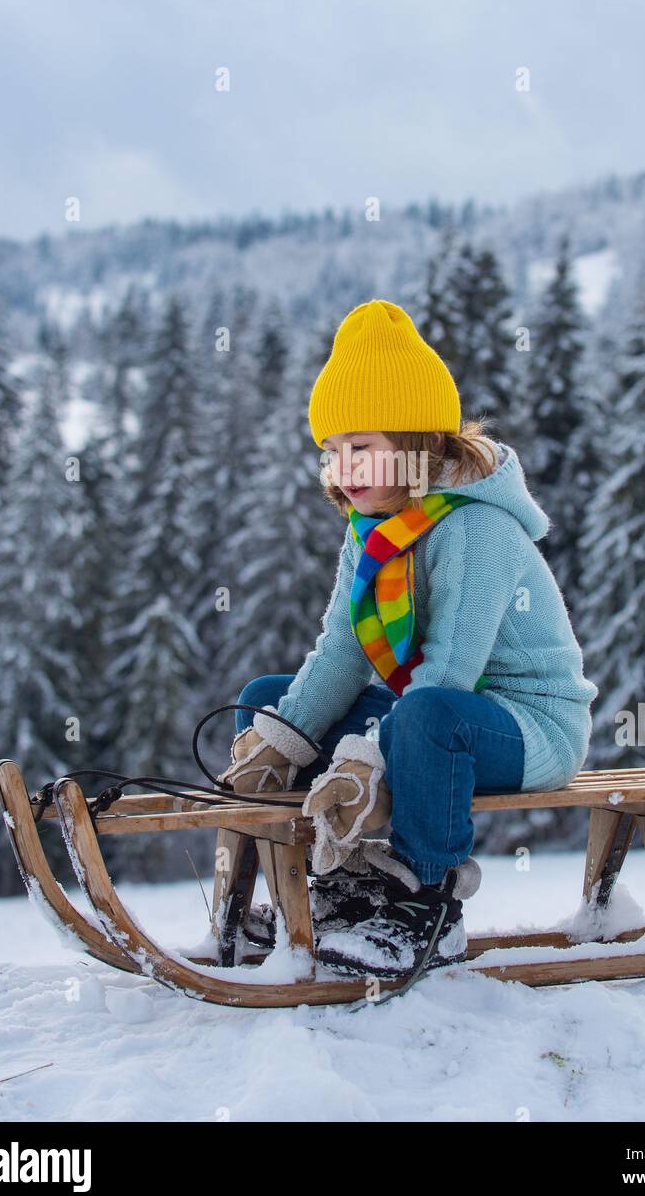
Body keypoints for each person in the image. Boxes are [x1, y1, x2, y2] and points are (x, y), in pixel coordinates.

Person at [224, 298, 598, 980]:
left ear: (419, 444)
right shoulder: (369, 534)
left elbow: (451, 670)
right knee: (270, 699)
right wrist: (283, 738)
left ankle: (424, 898)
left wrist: (369, 752)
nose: (344, 468)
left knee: (424, 717)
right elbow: (341, 647)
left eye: (361, 447)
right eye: (332, 452)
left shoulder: (473, 528)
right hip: (430, 712)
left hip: (524, 725)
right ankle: (338, 885)